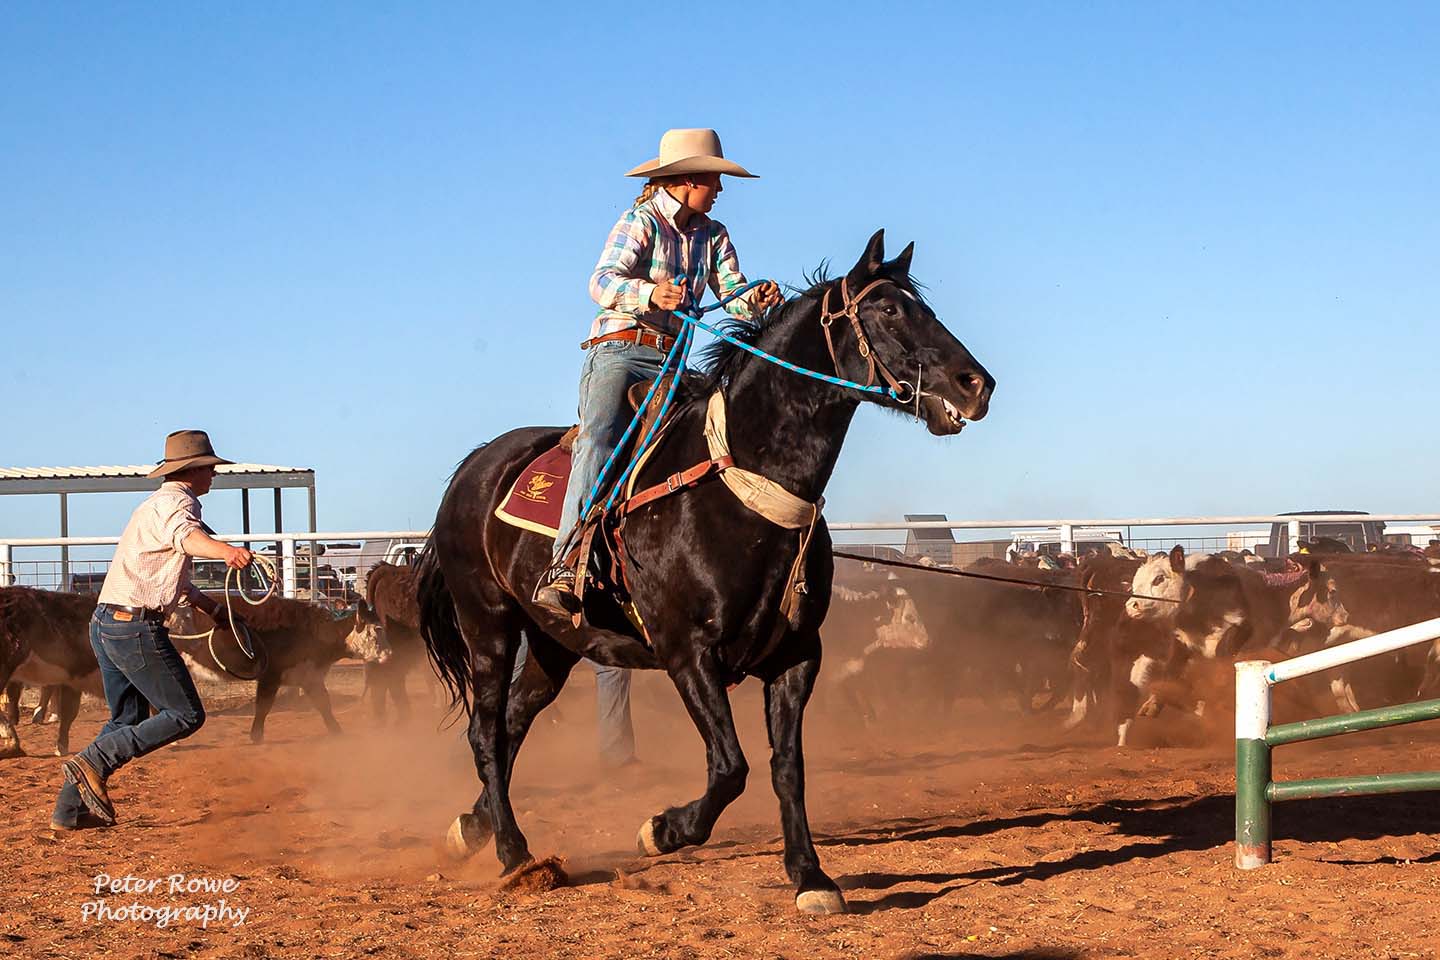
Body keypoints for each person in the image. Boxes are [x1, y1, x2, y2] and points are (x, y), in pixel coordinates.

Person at [534, 128, 781, 616]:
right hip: (619, 351)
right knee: (601, 438)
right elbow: (601, 281)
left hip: (672, 361)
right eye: (715, 179)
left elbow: (734, 295)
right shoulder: (640, 220)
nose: (721, 189)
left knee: (693, 447)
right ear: (689, 180)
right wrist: (650, 294)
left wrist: (756, 299)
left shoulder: (714, 236)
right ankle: (565, 561)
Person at [52, 430, 254, 831]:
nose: (213, 474)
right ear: (193, 470)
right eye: (209, 468)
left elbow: (171, 571)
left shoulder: (153, 506)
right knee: (186, 714)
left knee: (126, 718)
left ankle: (68, 811)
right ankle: (93, 761)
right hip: (134, 628)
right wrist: (228, 552)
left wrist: (212, 608)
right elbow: (187, 538)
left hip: (108, 622)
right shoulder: (179, 504)